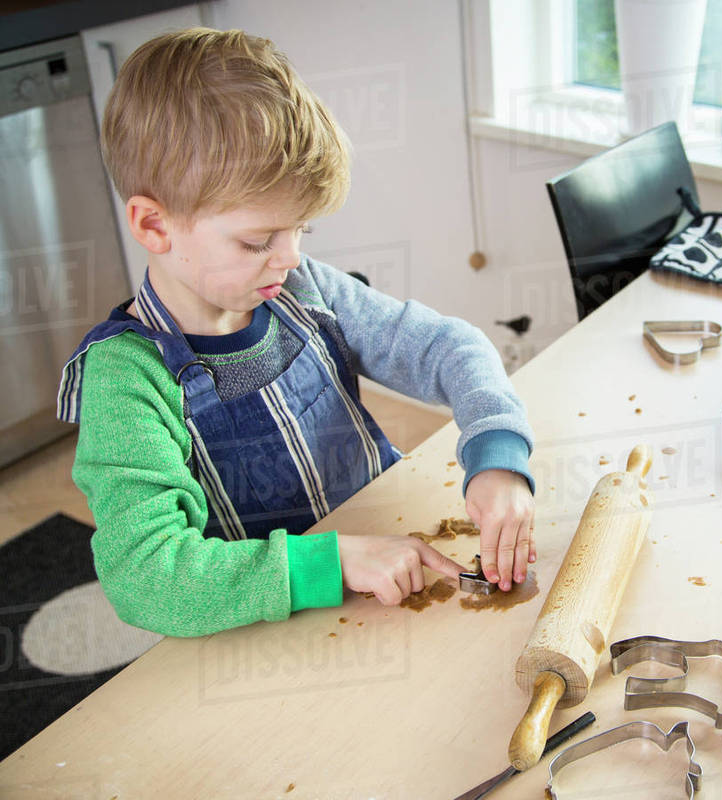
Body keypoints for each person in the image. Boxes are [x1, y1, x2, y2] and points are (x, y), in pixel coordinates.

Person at [55, 27, 535, 637]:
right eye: (258, 241)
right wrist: (333, 560)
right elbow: (148, 577)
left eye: (302, 230)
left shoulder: (304, 288)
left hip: (387, 592)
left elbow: (451, 347)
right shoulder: (127, 379)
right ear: (154, 225)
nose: (288, 258)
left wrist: (498, 456)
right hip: (273, 637)